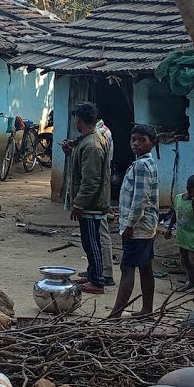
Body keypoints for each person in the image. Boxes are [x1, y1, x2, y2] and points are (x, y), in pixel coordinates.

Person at [107, 124, 160, 319]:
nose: (136, 143)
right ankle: (147, 309)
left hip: (138, 227)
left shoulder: (142, 165)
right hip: (146, 226)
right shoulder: (148, 163)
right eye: (133, 139)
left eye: (142, 140)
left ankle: (115, 315)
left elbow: (140, 199)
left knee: (127, 268)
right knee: (145, 267)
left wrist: (129, 225)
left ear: (152, 143)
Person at [66, 102, 111, 296]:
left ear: (79, 120)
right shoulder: (88, 140)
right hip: (91, 204)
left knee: (92, 243)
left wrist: (78, 204)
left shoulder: (92, 144)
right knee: (88, 241)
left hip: (92, 205)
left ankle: (98, 282)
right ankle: (93, 275)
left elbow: (91, 181)